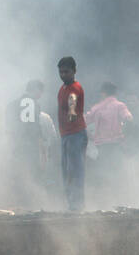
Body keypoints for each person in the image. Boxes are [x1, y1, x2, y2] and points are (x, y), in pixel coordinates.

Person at [84, 82, 133, 207]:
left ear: (103, 93)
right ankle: (119, 201)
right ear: (115, 93)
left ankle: (105, 202)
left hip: (102, 147)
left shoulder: (97, 107)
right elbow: (128, 118)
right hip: (116, 145)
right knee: (117, 173)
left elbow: (83, 121)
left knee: (103, 174)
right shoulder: (120, 105)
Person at [5, 79, 46, 210]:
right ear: (35, 90)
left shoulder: (11, 105)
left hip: (17, 145)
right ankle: (30, 205)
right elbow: (35, 128)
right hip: (30, 146)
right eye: (40, 92)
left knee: (18, 173)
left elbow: (9, 127)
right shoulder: (35, 104)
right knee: (32, 174)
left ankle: (19, 203)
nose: (40, 95)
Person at [56, 56, 87, 211]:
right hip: (66, 134)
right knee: (67, 170)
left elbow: (72, 105)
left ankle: (77, 205)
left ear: (74, 71)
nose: (63, 75)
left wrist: (72, 113)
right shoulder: (63, 88)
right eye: (61, 72)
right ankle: (71, 204)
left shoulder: (74, 88)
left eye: (66, 72)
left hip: (76, 134)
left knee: (75, 170)